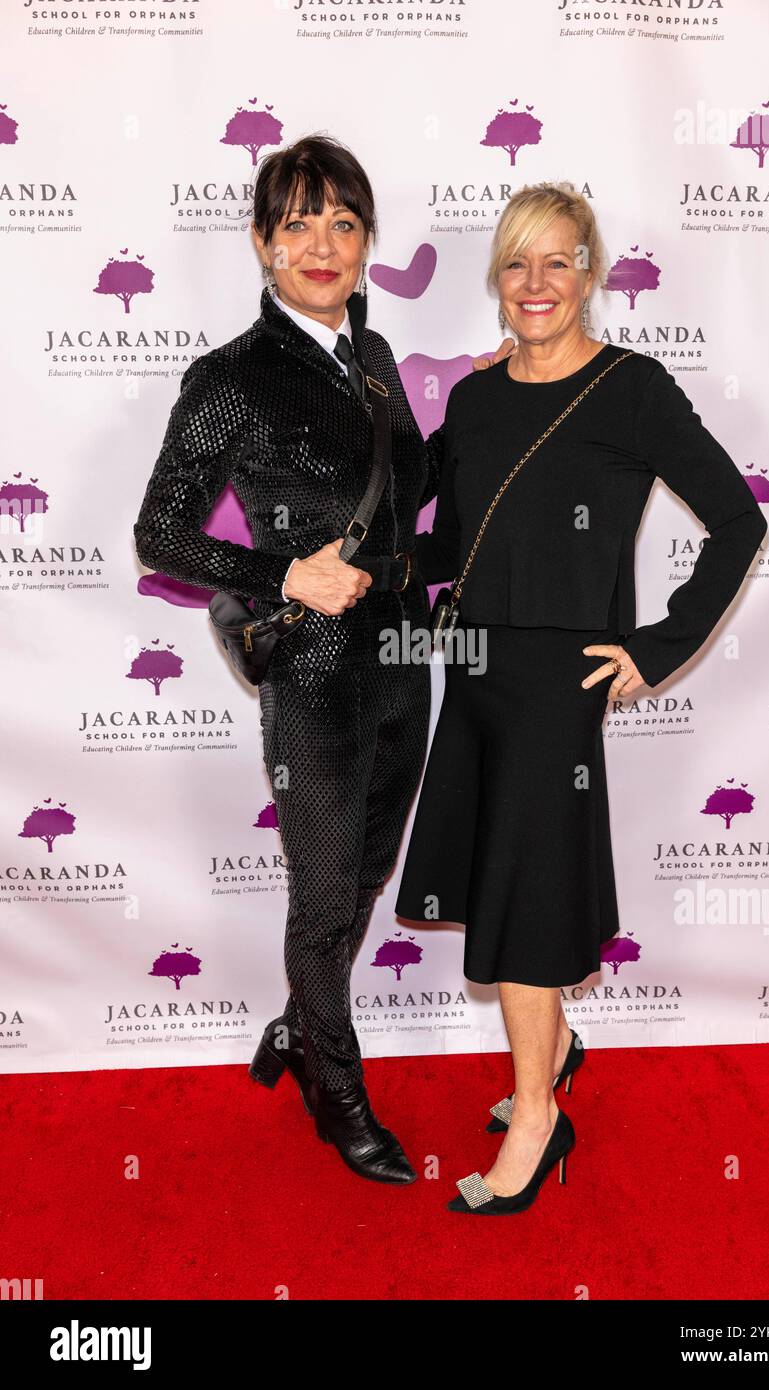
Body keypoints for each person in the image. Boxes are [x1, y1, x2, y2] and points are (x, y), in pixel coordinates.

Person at [395, 180, 768, 1215]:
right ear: (496, 279)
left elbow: (736, 520)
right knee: (511, 873)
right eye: (518, 262)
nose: (536, 282)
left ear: (591, 274)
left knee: (520, 900)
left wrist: (660, 646)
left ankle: (535, 1115)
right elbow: (445, 540)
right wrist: (373, 573)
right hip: (471, 667)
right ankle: (549, 1054)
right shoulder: (469, 400)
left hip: (559, 683)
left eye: (558, 260)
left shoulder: (631, 389)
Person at [133, 134, 451, 1186]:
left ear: (365, 245)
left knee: (366, 872)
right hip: (315, 674)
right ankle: (336, 1088)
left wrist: (497, 395)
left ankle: (295, 1026)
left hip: (403, 655)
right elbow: (161, 533)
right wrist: (281, 578)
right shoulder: (230, 376)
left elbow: (410, 488)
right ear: (265, 243)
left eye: (343, 222)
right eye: (298, 221)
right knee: (322, 898)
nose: (322, 243)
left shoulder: (371, 360)